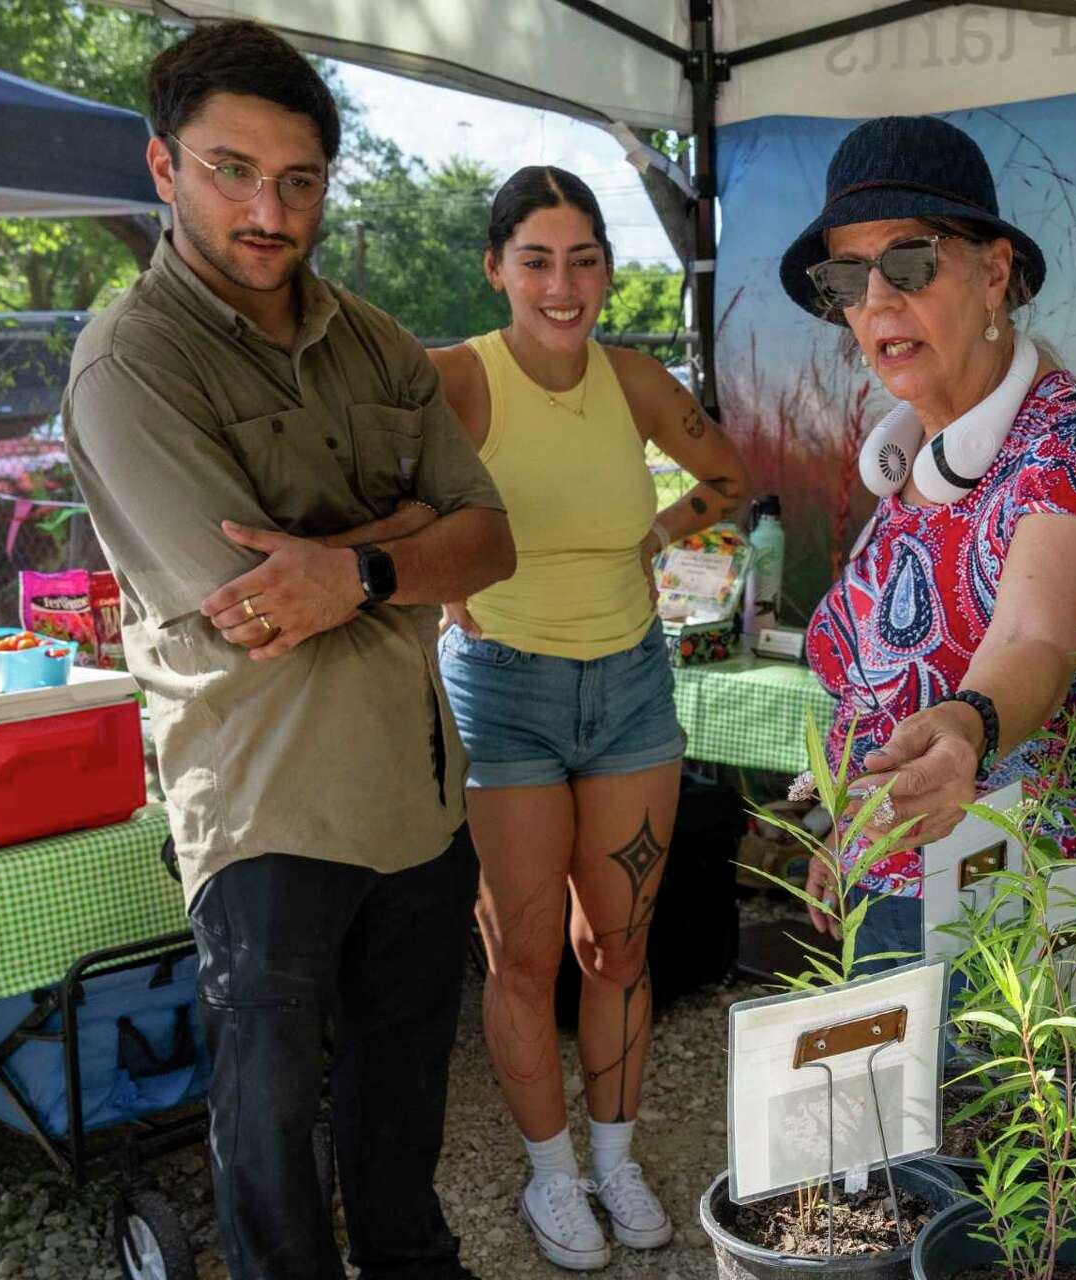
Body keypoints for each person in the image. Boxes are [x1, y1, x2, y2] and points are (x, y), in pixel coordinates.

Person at [63, 22, 514, 1280]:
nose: (270, 210)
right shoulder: (131, 362)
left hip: (417, 793)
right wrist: (408, 535)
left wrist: (350, 567)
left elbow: (489, 541)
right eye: (233, 171)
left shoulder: (376, 340)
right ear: (164, 167)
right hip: (262, 804)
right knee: (266, 1132)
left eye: (299, 179)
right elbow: (252, 605)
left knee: (403, 1099)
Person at [426, 166, 749, 1271]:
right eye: (536, 261)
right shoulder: (458, 378)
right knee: (522, 958)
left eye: (583, 260)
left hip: (629, 686)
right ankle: (551, 1174)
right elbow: (375, 489)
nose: (562, 286)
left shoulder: (635, 379)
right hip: (502, 692)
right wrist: (437, 574)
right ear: (496, 268)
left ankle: (615, 1159)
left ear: (609, 271)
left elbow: (726, 476)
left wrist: (655, 535)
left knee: (618, 944)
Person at [778, 115, 1076, 968]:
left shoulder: (1072, 440)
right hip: (886, 872)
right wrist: (843, 823)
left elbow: (1033, 639)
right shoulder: (913, 457)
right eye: (847, 276)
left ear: (994, 274)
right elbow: (884, 682)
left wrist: (967, 725)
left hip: (1005, 890)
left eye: (909, 262)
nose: (877, 301)